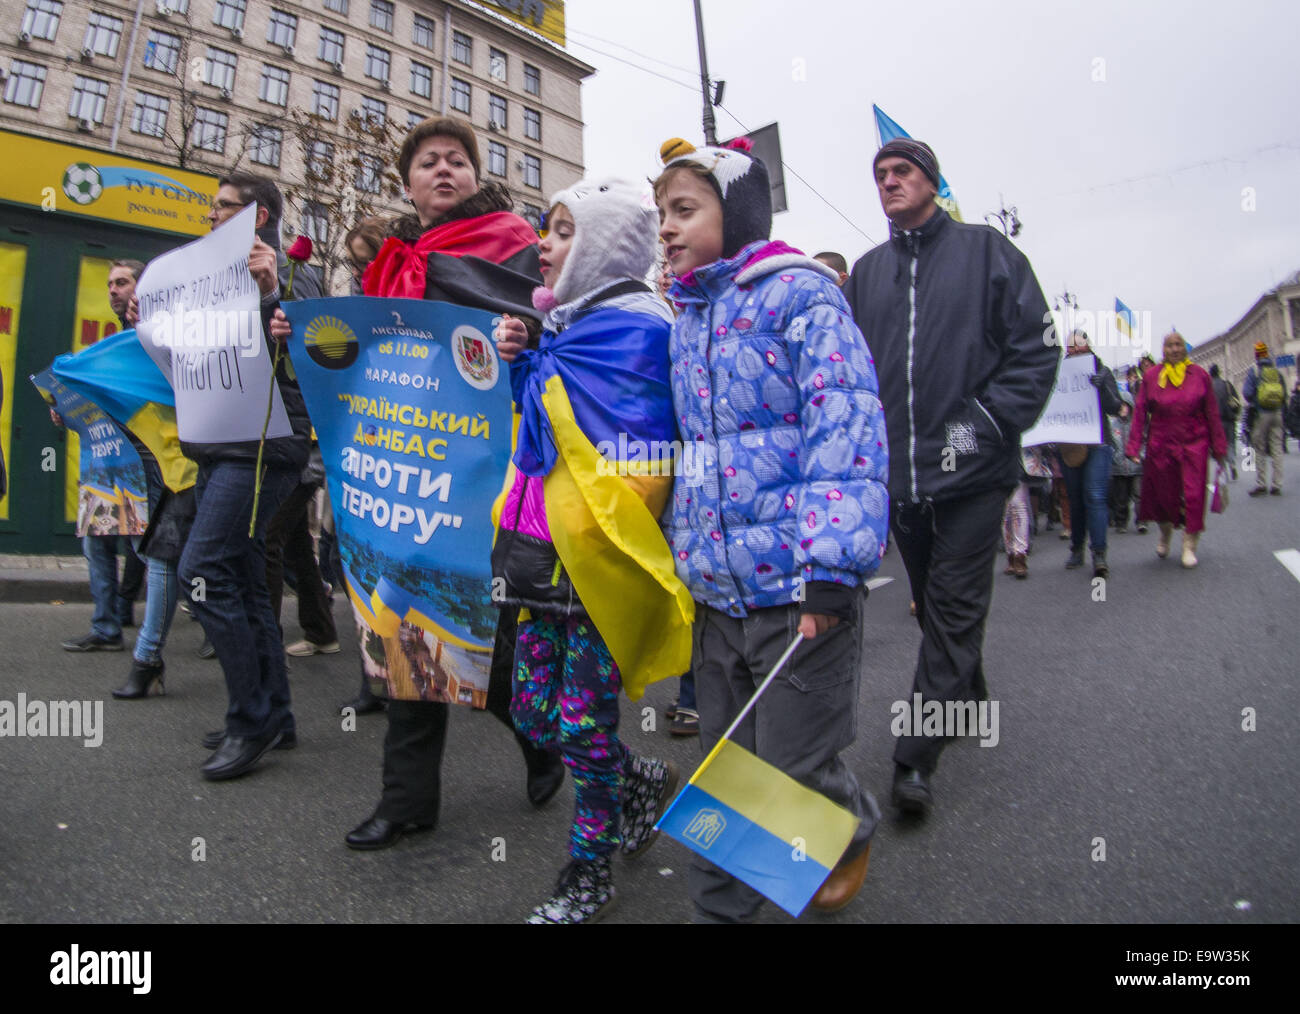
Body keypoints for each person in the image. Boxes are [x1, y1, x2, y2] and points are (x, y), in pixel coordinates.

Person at [273, 117, 561, 847]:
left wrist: (524, 337)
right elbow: (361, 353)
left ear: (473, 174)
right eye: (428, 161)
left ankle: (538, 738)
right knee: (401, 624)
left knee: (475, 630)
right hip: (403, 468)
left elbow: (554, 332)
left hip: (481, 472)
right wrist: (300, 335)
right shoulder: (393, 258)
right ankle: (406, 803)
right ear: (408, 181)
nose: (443, 169)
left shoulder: (514, 245)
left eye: (456, 160)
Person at [656, 135, 887, 920]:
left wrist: (832, 563)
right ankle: (724, 911)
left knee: (792, 766)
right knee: (729, 771)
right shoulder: (685, 317)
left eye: (683, 210)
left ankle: (844, 822)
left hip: (798, 586)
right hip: (719, 589)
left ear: (740, 213)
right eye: (660, 215)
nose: (666, 227)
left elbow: (845, 418)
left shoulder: (801, 293)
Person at [493, 177, 687, 922]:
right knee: (533, 715)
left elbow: (636, 449)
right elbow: (543, 425)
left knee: (579, 724)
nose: (544, 246)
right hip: (542, 551)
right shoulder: (568, 326)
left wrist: (540, 359)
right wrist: (524, 357)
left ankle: (588, 869)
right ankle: (637, 779)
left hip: (602, 563)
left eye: (565, 231)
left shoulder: (642, 329)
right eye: (547, 230)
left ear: (604, 243)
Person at [845, 137, 1057, 816]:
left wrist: (982, 427)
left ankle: (915, 756)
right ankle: (966, 689)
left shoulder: (990, 253)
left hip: (972, 474)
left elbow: (1037, 350)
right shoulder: (867, 274)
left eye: (901, 171)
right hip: (900, 481)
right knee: (937, 608)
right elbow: (847, 370)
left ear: (933, 182)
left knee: (955, 608)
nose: (889, 182)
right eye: (880, 175)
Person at [176, 171, 316, 781]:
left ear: (257, 216)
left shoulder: (290, 272)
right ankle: (275, 714)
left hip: (264, 444)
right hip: (219, 442)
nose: (212, 216)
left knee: (201, 571)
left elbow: (317, 351)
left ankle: (249, 718)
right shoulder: (212, 278)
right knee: (243, 575)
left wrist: (268, 294)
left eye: (224, 208)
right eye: (211, 207)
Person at [60, 258, 149, 651]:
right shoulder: (111, 342)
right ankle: (107, 627)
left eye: (122, 282)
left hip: (144, 459)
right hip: (106, 461)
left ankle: (204, 621)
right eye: (110, 284)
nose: (113, 290)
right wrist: (67, 406)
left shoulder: (150, 334)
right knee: (98, 544)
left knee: (154, 550)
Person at [1125, 331, 1227, 567]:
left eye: (1178, 344)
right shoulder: (1151, 377)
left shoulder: (1200, 376)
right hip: (1161, 445)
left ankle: (1189, 545)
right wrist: (1133, 446)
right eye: (1169, 345)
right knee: (1163, 495)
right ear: (1163, 350)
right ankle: (1165, 533)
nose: (1174, 349)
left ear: (1185, 348)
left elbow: (1212, 412)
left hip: (1195, 443)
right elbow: (1139, 413)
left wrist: (1219, 445)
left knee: (1194, 494)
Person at [1060, 330, 1122, 578]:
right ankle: (1076, 547)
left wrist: (1102, 390)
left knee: (1094, 496)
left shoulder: (1103, 371)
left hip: (1097, 443)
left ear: (1088, 346)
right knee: (1075, 498)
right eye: (1070, 346)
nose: (1074, 350)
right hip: (1071, 445)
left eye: (1078, 345)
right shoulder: (1060, 376)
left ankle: (1099, 553)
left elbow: (1116, 406)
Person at [1243, 342, 1285, 496]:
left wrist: (1255, 400)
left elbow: (1247, 393)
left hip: (1261, 414)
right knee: (1277, 448)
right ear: (1267, 353)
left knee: (1259, 448)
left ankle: (1261, 484)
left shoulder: (1254, 371)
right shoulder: (1276, 371)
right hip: (1277, 413)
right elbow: (1284, 393)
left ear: (1256, 354)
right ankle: (1277, 484)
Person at [1108, 395, 1145, 534]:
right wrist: (1113, 457)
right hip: (1119, 466)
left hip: (1136, 465)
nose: (1123, 409)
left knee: (1139, 494)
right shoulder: (1112, 424)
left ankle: (1141, 520)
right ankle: (1121, 522)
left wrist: (1141, 456)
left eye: (1125, 405)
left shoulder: (1137, 423)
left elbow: (1144, 441)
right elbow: (1110, 443)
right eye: (1120, 406)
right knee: (1121, 497)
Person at [1208, 364, 1241, 480]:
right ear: (1219, 372)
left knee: (1219, 447)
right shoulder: (1227, 385)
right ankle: (1232, 465)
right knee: (1230, 444)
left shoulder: (1209, 387)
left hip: (1216, 422)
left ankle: (1223, 470)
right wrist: (1235, 414)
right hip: (1230, 420)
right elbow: (1236, 401)